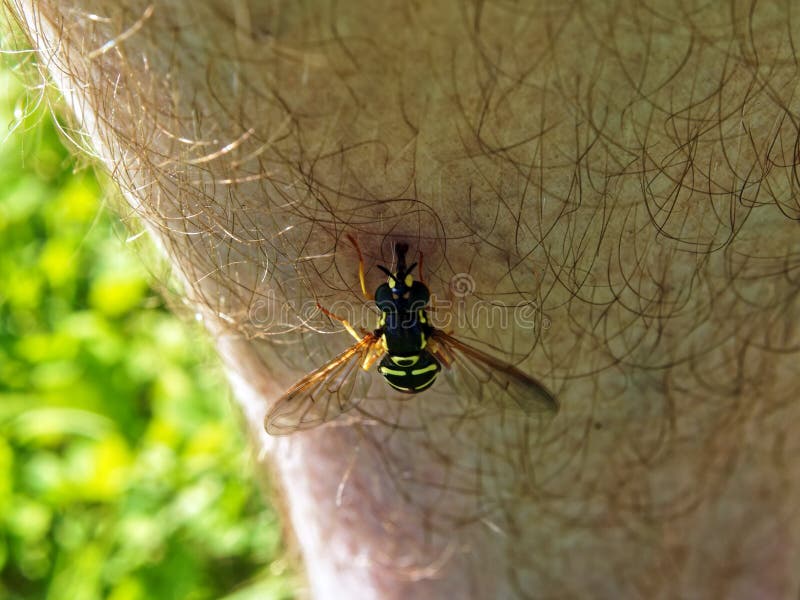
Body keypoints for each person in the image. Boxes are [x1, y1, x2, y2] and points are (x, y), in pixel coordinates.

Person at [10, 1, 800, 597]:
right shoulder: (419, 327)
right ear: (419, 321)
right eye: (404, 298)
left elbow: (352, 323)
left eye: (401, 298)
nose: (401, 296)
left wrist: (361, 279)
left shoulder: (377, 335)